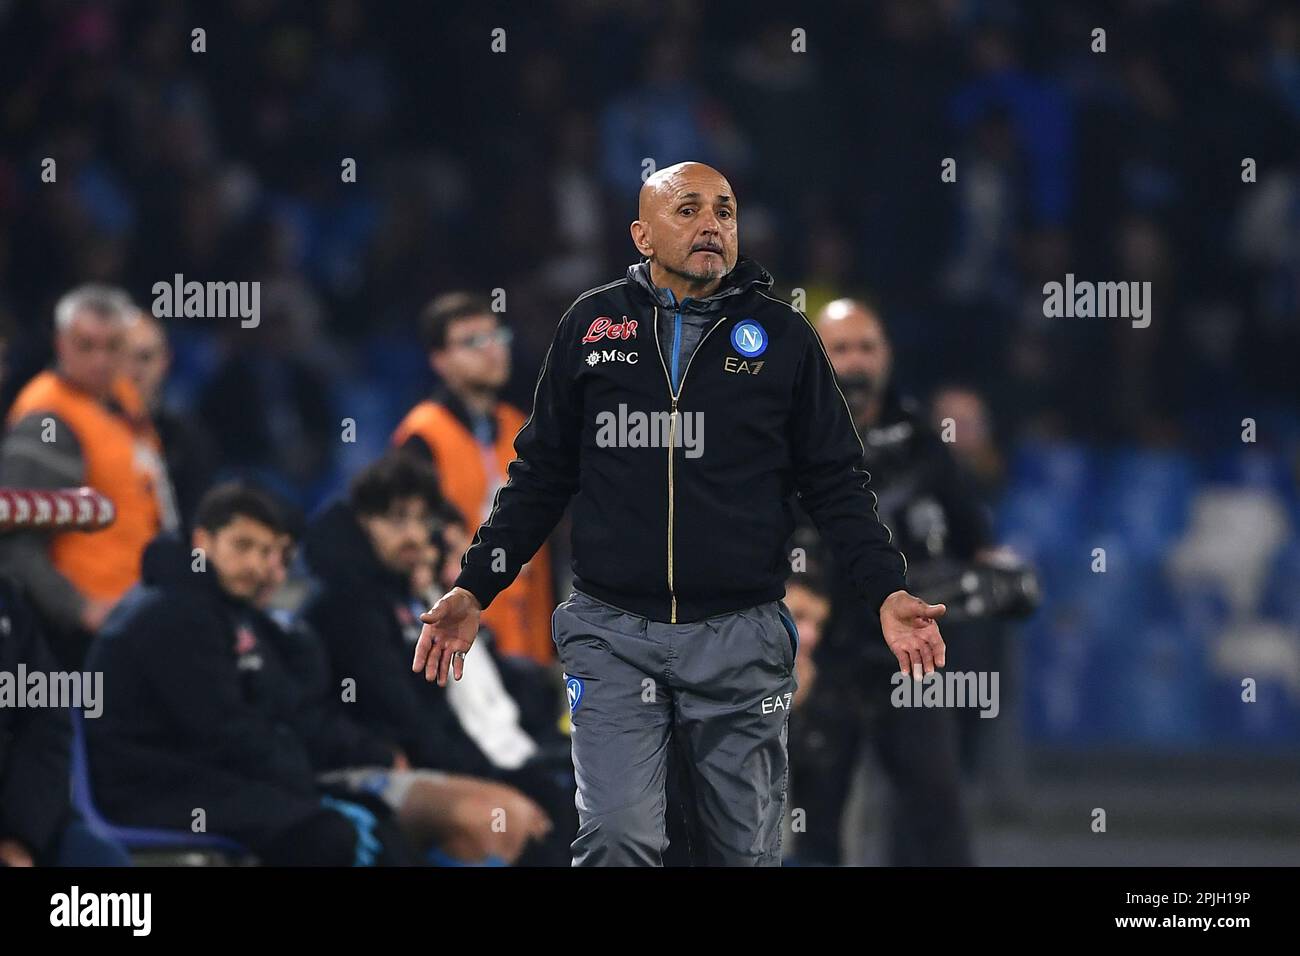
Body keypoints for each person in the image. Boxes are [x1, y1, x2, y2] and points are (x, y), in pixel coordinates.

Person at [413, 161, 946, 866]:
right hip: (612, 630)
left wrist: (885, 587)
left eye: (725, 212)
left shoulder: (783, 338)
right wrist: (476, 585)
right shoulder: (590, 326)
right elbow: (541, 475)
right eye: (689, 210)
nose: (712, 227)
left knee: (743, 853)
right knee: (618, 838)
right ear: (642, 234)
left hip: (741, 635)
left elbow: (836, 483)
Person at [85, 483, 414, 865]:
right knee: (326, 833)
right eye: (242, 546)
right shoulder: (172, 614)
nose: (256, 566)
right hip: (148, 786)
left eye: (265, 552)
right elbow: (221, 731)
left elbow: (280, 707)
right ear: (202, 541)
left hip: (201, 772)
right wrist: (304, 787)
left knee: (373, 821)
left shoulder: (224, 608)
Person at [789, 297, 991, 866]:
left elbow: (974, 538)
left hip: (910, 659)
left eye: (866, 347)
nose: (855, 362)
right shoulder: (783, 440)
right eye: (840, 348)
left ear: (887, 357)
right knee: (814, 818)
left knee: (935, 809)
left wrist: (993, 577)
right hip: (819, 656)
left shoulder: (922, 442)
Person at [298, 452, 576, 865]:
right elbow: (405, 717)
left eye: (419, 520)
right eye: (395, 519)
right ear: (363, 522)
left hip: (440, 757)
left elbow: (438, 716)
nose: (412, 535)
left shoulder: (402, 598)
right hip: (368, 767)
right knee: (515, 818)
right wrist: (495, 780)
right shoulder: (346, 605)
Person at [256, 525, 555, 865]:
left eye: (276, 556)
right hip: (341, 773)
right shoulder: (343, 613)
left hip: (370, 761)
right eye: (248, 549)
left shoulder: (288, 634)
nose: (264, 568)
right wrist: (379, 752)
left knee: (539, 807)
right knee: (496, 818)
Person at [0, 285, 177, 667]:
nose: (99, 360)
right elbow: (14, 541)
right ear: (60, 344)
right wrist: (78, 608)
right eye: (85, 345)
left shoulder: (122, 405)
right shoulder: (48, 418)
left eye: (112, 347)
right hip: (83, 635)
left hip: (134, 615)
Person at [393, 292, 556, 664]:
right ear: (440, 360)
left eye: (497, 336)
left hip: (531, 633)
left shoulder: (521, 426)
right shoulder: (422, 436)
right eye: (472, 342)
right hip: (464, 641)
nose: (492, 350)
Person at [0, 576, 130, 867]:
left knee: (104, 865)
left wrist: (20, 836)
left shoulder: (7, 600)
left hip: (23, 823)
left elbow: (45, 724)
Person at [122, 309, 218, 530]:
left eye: (145, 358)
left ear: (165, 361)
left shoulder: (188, 439)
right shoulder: (85, 432)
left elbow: (198, 523)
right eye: (124, 357)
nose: (134, 371)